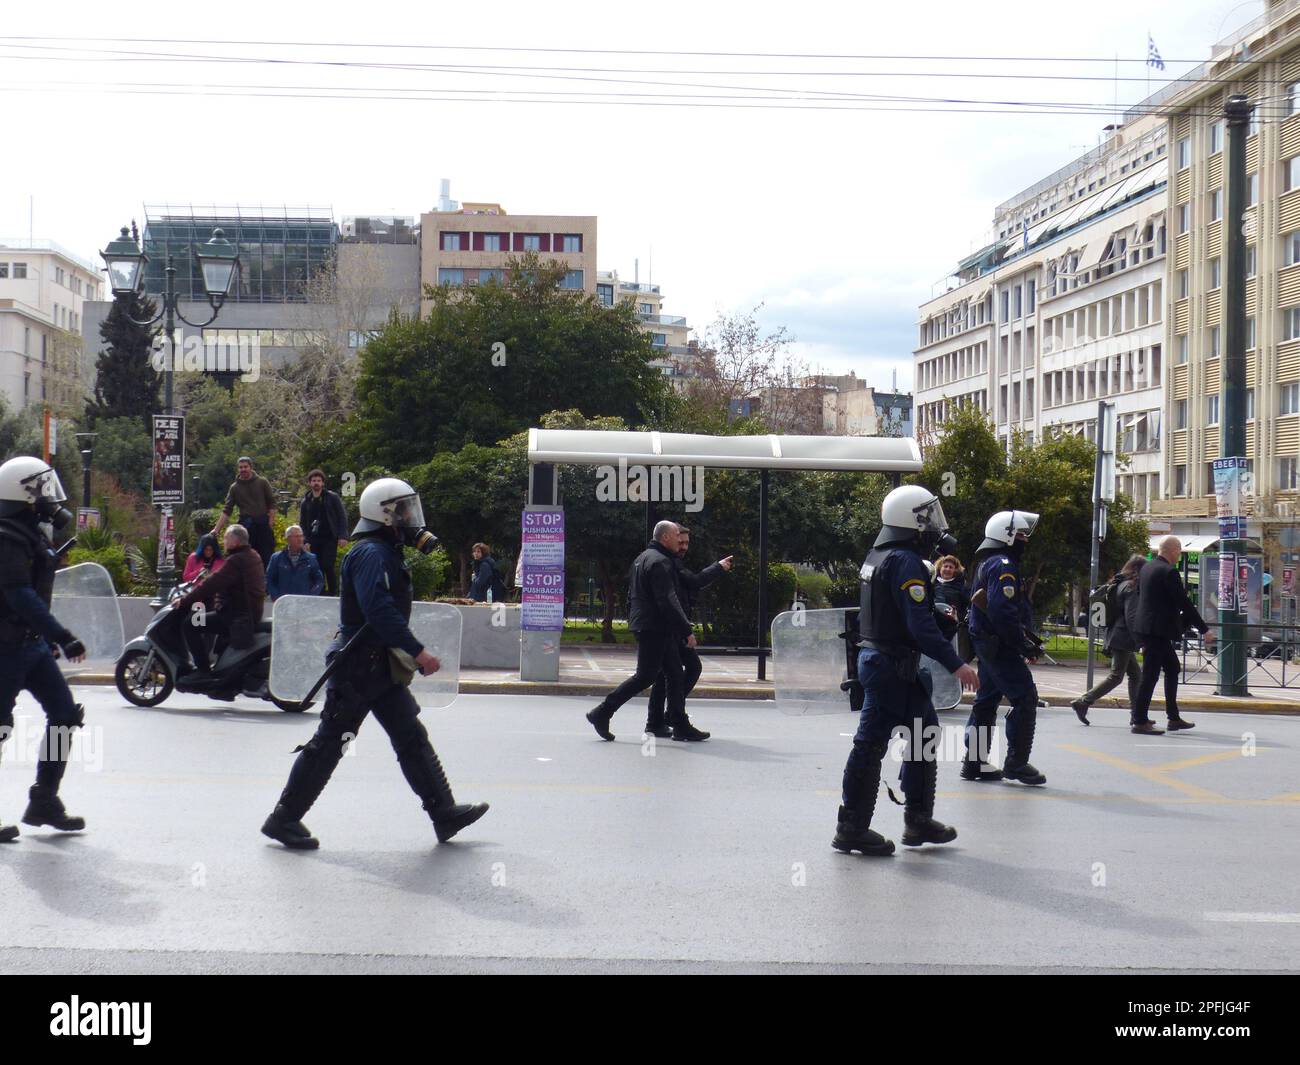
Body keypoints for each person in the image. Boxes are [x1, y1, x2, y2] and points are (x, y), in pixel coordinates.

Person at [261, 477, 488, 849]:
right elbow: (378, 610)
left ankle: (444, 814)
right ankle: (283, 819)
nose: (411, 517)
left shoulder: (383, 551)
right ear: (384, 515)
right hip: (357, 668)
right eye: (403, 510)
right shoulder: (371, 554)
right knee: (331, 744)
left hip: (376, 667)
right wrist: (418, 651)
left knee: (410, 736)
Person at [832, 485, 979, 856]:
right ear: (910, 520)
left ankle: (917, 819)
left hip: (887, 661)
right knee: (870, 745)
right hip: (889, 665)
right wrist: (956, 663)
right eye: (927, 518)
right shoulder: (905, 561)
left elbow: (902, 616)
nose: (934, 528)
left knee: (924, 732)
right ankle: (852, 827)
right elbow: (917, 625)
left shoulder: (879, 554)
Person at [0, 456, 88, 839]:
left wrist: (46, 638)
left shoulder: (27, 533)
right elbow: (19, 594)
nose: (49, 498)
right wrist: (61, 635)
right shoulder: (5, 537)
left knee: (65, 715)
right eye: (42, 490)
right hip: (4, 648)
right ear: (22, 493)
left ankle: (44, 800)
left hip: (30, 646)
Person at [584, 521, 709, 742]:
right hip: (655, 627)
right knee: (646, 676)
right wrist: (686, 630)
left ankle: (672, 724)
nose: (679, 539)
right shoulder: (661, 562)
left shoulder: (642, 558)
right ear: (665, 538)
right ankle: (602, 712)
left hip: (652, 625)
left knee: (674, 674)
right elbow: (667, 600)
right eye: (675, 535)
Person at [963, 510, 1047, 786]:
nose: (1025, 540)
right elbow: (1002, 612)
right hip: (998, 644)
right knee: (1025, 698)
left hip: (988, 642)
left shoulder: (989, 562)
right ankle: (1016, 763)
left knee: (987, 700)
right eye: (1021, 535)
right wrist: (1021, 644)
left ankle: (974, 762)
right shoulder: (1003, 564)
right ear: (1007, 536)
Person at [643, 524, 732, 738]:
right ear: (668, 539)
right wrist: (718, 567)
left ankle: (659, 720)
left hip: (671, 626)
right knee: (680, 669)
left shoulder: (671, 560)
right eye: (679, 541)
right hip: (670, 628)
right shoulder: (667, 561)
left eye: (686, 543)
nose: (683, 546)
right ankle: (671, 717)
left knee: (666, 674)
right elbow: (692, 583)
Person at [1130, 536, 1214, 735]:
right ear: (1173, 550)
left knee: (1173, 668)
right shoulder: (1169, 572)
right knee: (1150, 676)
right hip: (1157, 631)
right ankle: (1139, 720)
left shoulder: (1147, 568)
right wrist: (1204, 629)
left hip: (1147, 628)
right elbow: (1184, 603)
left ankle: (1173, 718)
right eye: (1179, 550)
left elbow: (1144, 598)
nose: (1179, 554)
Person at [172, 525, 266, 673]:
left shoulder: (236, 560)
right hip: (247, 613)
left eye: (226, 538)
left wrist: (184, 601)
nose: (223, 542)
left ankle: (202, 671)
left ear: (236, 541)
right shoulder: (253, 555)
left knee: (190, 625)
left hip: (237, 616)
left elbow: (212, 583)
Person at [1070, 555, 1146, 726]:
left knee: (1135, 675)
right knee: (1116, 676)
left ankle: (1137, 715)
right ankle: (1083, 701)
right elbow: (1131, 616)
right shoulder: (1131, 587)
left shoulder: (1118, 583)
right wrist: (1141, 641)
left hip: (1117, 634)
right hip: (1123, 637)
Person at [212, 457, 277, 566]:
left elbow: (272, 502)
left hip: (263, 525)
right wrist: (216, 529)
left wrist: (271, 521)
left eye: (245, 467)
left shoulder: (262, 482)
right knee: (246, 559)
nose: (243, 469)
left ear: (251, 467)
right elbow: (227, 510)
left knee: (267, 557)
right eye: (241, 467)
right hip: (246, 527)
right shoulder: (234, 488)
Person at [299, 469, 349, 596]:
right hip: (314, 538)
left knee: (328, 565)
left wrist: (343, 535)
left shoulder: (332, 497)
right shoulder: (306, 501)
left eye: (319, 481)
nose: (316, 483)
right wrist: (305, 540)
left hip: (330, 537)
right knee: (317, 566)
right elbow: (303, 523)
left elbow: (342, 516)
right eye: (314, 481)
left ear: (323, 483)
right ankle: (320, 592)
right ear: (310, 483)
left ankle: (333, 593)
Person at [265, 525, 325, 601]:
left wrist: (311, 596)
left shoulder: (311, 558)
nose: (300, 539)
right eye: (296, 536)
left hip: (303, 603)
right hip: (283, 603)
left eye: (301, 536)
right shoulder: (276, 558)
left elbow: (319, 581)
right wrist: (276, 597)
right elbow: (269, 579)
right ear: (288, 539)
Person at [933, 554, 972, 662]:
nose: (947, 569)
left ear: (955, 570)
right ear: (940, 568)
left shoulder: (961, 587)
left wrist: (958, 617)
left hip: (953, 630)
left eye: (951, 567)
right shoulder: (931, 584)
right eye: (945, 566)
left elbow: (968, 607)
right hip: (933, 627)